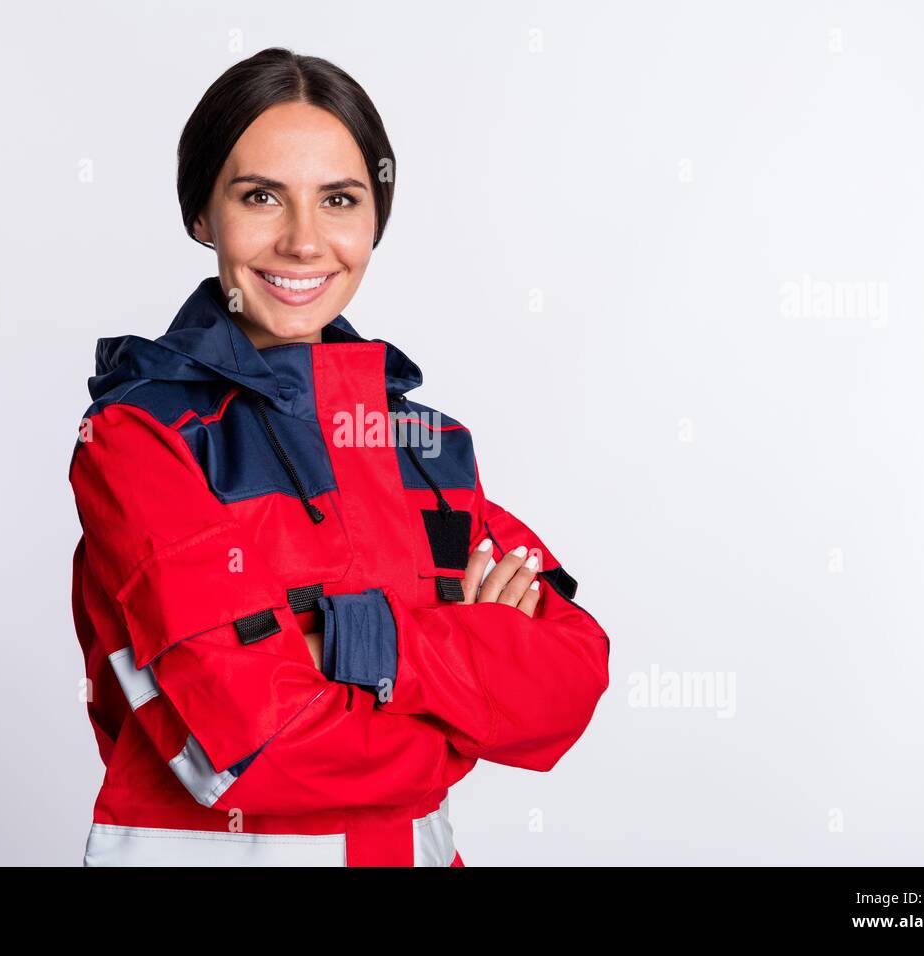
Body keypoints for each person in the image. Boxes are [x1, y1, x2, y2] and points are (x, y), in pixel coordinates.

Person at [68, 47, 611, 867]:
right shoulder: (139, 440)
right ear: (202, 215)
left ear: (374, 221)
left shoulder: (425, 444)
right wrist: (465, 701)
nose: (303, 241)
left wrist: (353, 646)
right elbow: (255, 746)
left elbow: (571, 677)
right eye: (260, 197)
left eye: (340, 200)